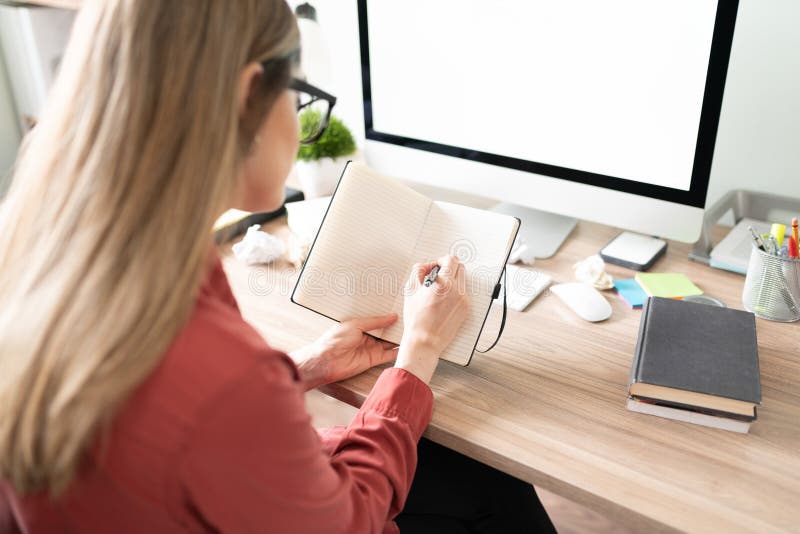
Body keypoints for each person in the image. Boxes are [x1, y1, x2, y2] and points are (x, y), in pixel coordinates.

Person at [0, 1, 554, 532]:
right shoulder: (216, 365)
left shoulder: (46, 259)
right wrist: (419, 354)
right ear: (248, 97)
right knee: (496, 493)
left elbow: (184, 432)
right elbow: (350, 521)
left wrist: (302, 368)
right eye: (300, 93)